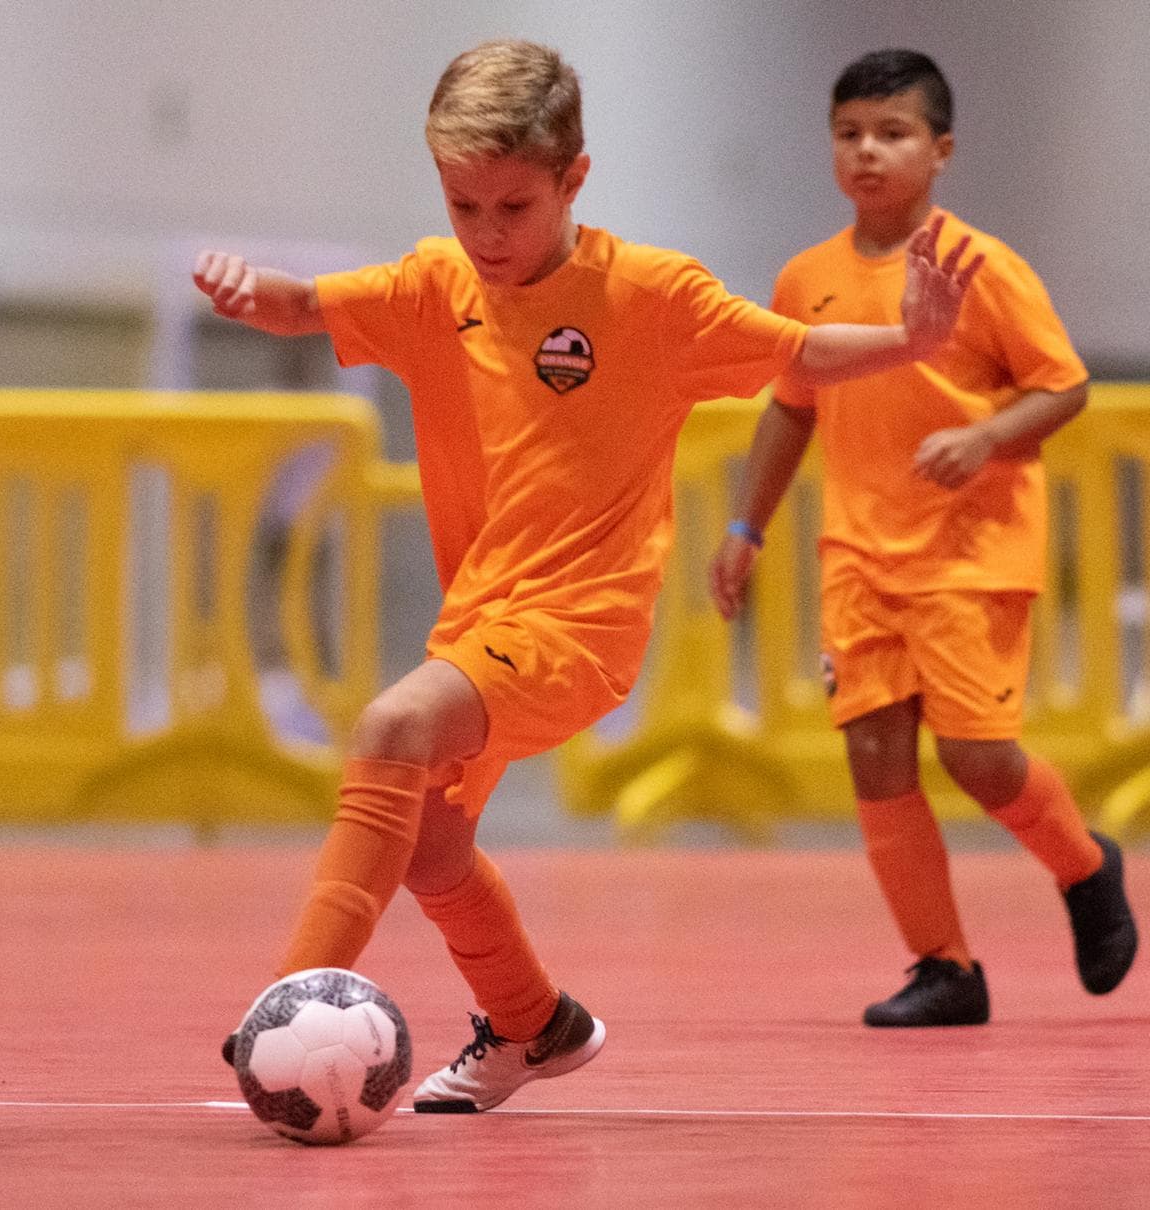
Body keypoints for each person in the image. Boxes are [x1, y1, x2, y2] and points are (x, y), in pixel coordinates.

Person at [196, 38, 979, 1110]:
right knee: (428, 844)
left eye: (512, 207)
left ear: (575, 178)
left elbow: (797, 351)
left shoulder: (650, 298)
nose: (486, 234)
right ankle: (534, 1023)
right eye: (462, 205)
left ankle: (275, 1019)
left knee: (389, 728)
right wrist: (250, 289)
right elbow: (307, 307)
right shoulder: (436, 285)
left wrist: (910, 338)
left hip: (581, 628)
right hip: (476, 622)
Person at [710, 49, 1135, 1027]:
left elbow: (1061, 385)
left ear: (938, 150)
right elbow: (790, 407)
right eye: (850, 132)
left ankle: (1083, 863)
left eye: (892, 133)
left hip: (970, 551)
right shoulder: (806, 277)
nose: (868, 151)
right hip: (857, 558)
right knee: (874, 759)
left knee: (979, 759)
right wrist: (745, 525)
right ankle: (943, 967)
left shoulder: (982, 268)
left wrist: (985, 435)